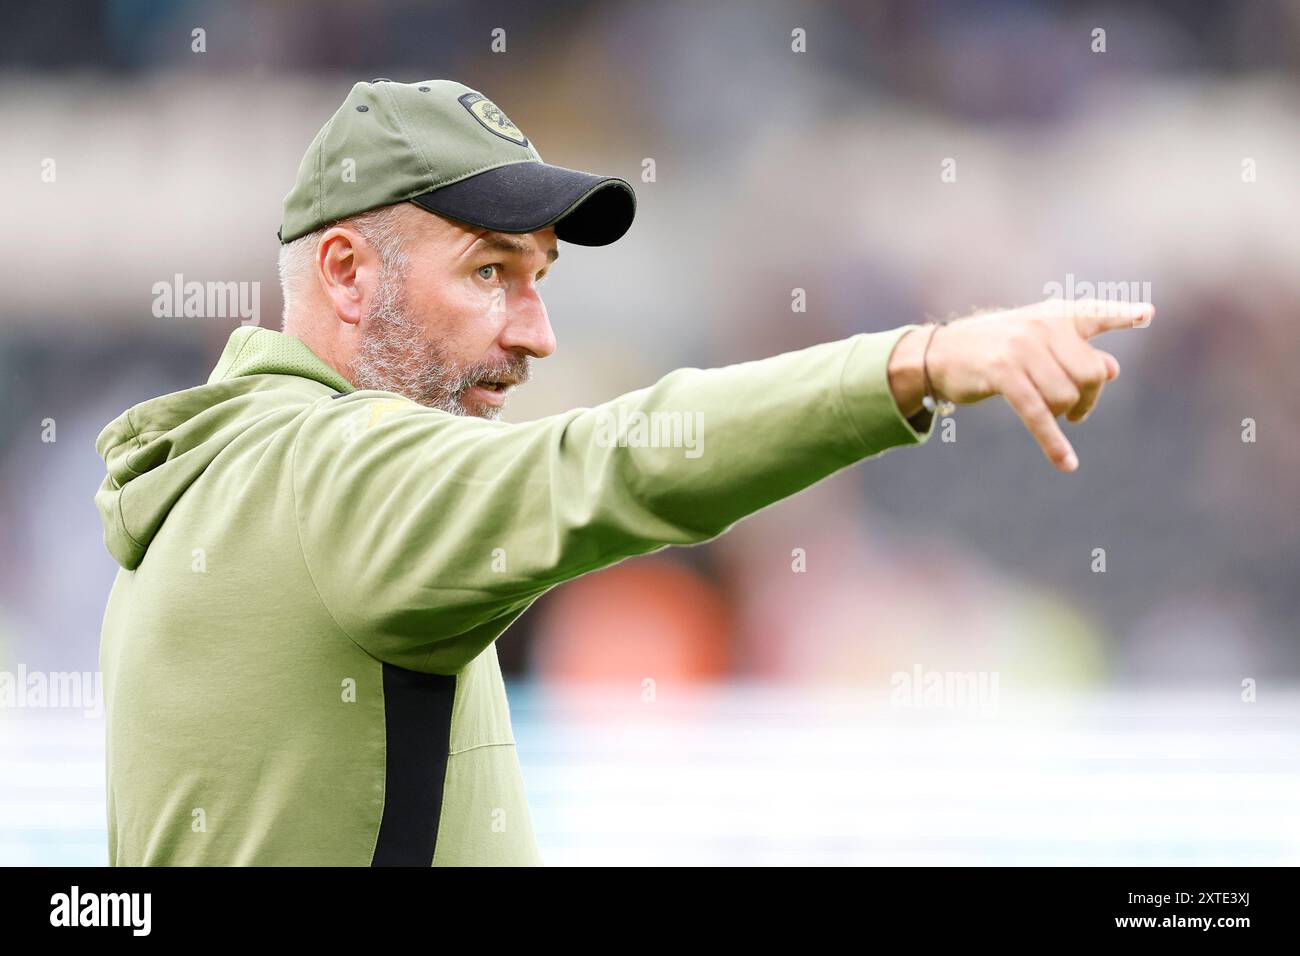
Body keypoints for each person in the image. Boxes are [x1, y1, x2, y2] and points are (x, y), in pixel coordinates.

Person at [94, 79, 1153, 865]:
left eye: (539, 276)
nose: (537, 332)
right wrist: (915, 362)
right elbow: (618, 458)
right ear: (346, 271)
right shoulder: (337, 472)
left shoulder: (207, 481)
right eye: (490, 273)